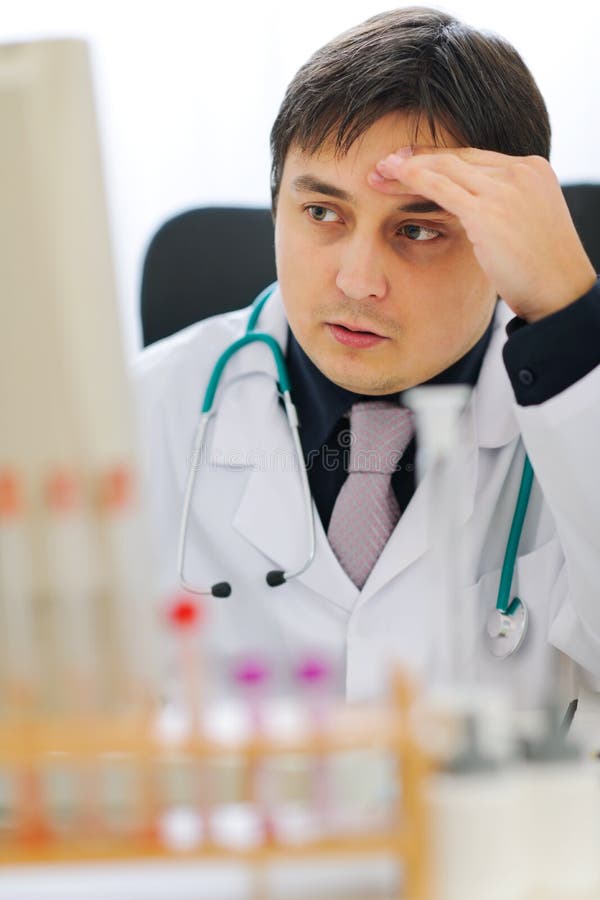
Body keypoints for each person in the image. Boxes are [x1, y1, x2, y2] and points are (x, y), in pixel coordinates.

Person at [134, 7, 600, 708]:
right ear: (276, 207)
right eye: (323, 213)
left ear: (502, 234)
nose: (357, 281)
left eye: (417, 228)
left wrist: (571, 320)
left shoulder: (580, 402)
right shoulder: (140, 412)